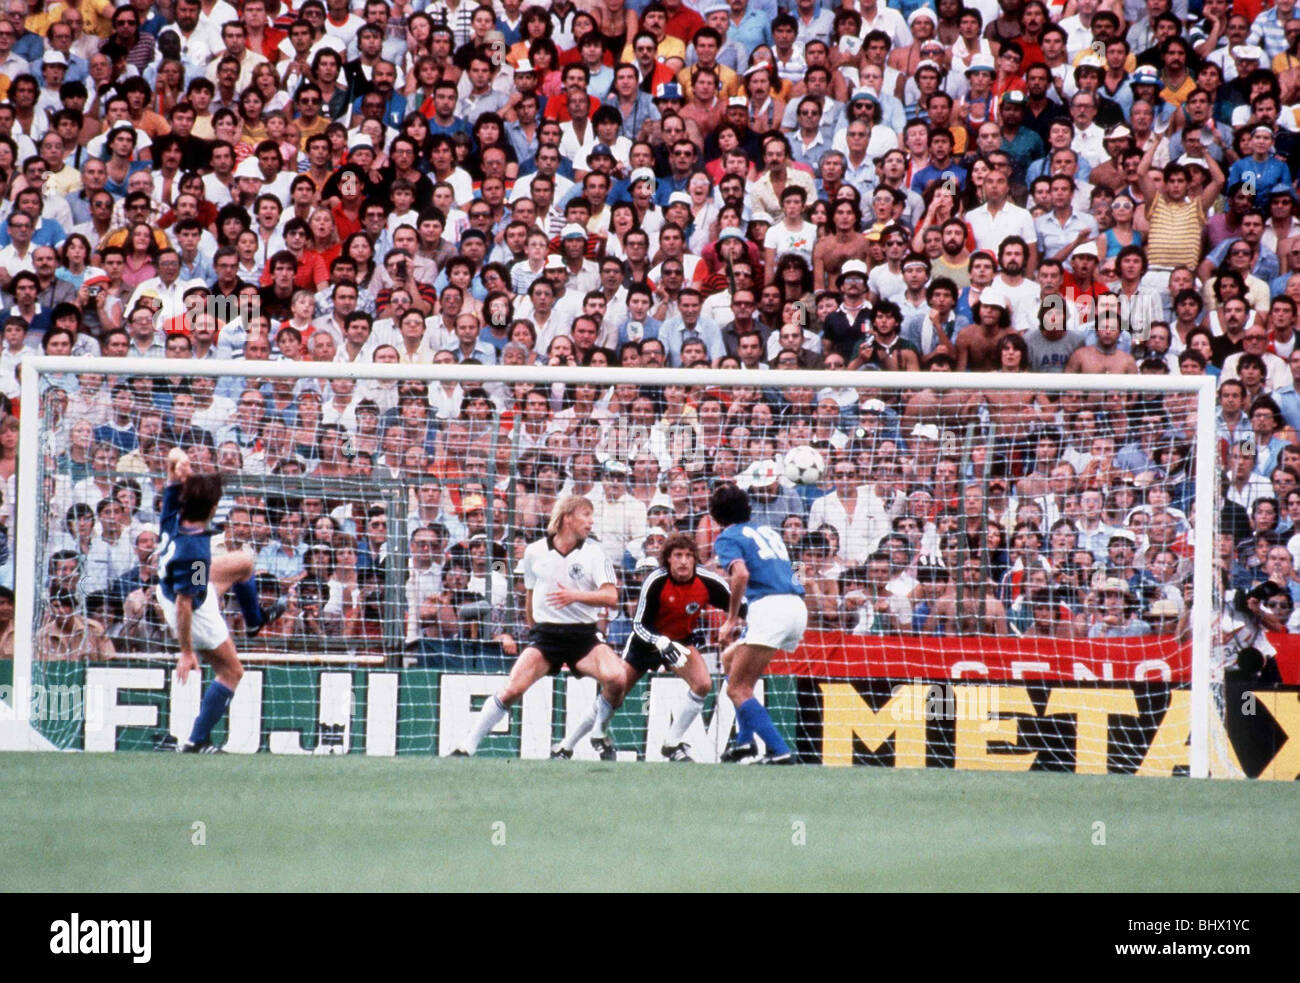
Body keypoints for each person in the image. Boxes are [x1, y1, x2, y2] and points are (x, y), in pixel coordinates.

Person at [452, 496, 626, 757]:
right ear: (567, 517)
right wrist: (536, 631)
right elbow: (530, 599)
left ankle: (599, 732)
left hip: (584, 636)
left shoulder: (595, 553)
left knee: (617, 678)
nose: (591, 522)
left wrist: (575, 596)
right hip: (547, 636)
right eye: (585, 515)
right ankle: (466, 746)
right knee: (512, 689)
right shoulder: (534, 552)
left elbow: (611, 597)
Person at [554, 533, 730, 761]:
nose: (684, 561)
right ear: (668, 559)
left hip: (680, 642)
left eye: (688, 556)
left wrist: (738, 619)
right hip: (646, 643)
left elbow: (737, 602)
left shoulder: (708, 581)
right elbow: (638, 624)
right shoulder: (656, 580)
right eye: (678, 555)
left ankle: (671, 742)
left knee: (703, 684)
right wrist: (660, 641)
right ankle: (568, 745)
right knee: (613, 694)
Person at [155, 448, 284, 753]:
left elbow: (172, 463)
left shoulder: (173, 513)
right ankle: (196, 740)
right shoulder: (196, 553)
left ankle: (254, 622)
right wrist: (186, 651)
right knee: (232, 672)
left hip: (168, 586)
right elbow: (187, 602)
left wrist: (180, 460)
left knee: (243, 562)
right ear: (213, 508)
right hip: (191, 612)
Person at [709, 481, 807, 764]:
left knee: (737, 688)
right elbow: (792, 567)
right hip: (795, 605)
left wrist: (729, 620)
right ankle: (745, 742)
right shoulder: (767, 531)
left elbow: (740, 575)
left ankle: (780, 750)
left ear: (716, 517)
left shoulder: (727, 537)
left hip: (770, 607)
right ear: (748, 508)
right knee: (730, 659)